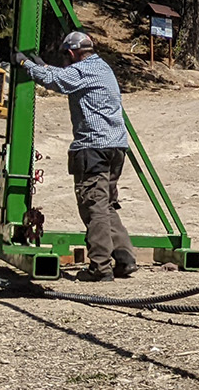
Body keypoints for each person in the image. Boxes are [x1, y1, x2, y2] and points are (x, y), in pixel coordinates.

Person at [16, 28, 136, 282]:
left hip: (93, 148)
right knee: (106, 204)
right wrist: (44, 65)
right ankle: (124, 258)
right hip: (115, 148)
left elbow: (57, 81)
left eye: (65, 56)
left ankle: (100, 266)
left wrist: (24, 63)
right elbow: (62, 75)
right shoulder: (101, 68)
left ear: (71, 53)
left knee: (94, 207)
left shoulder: (84, 71)